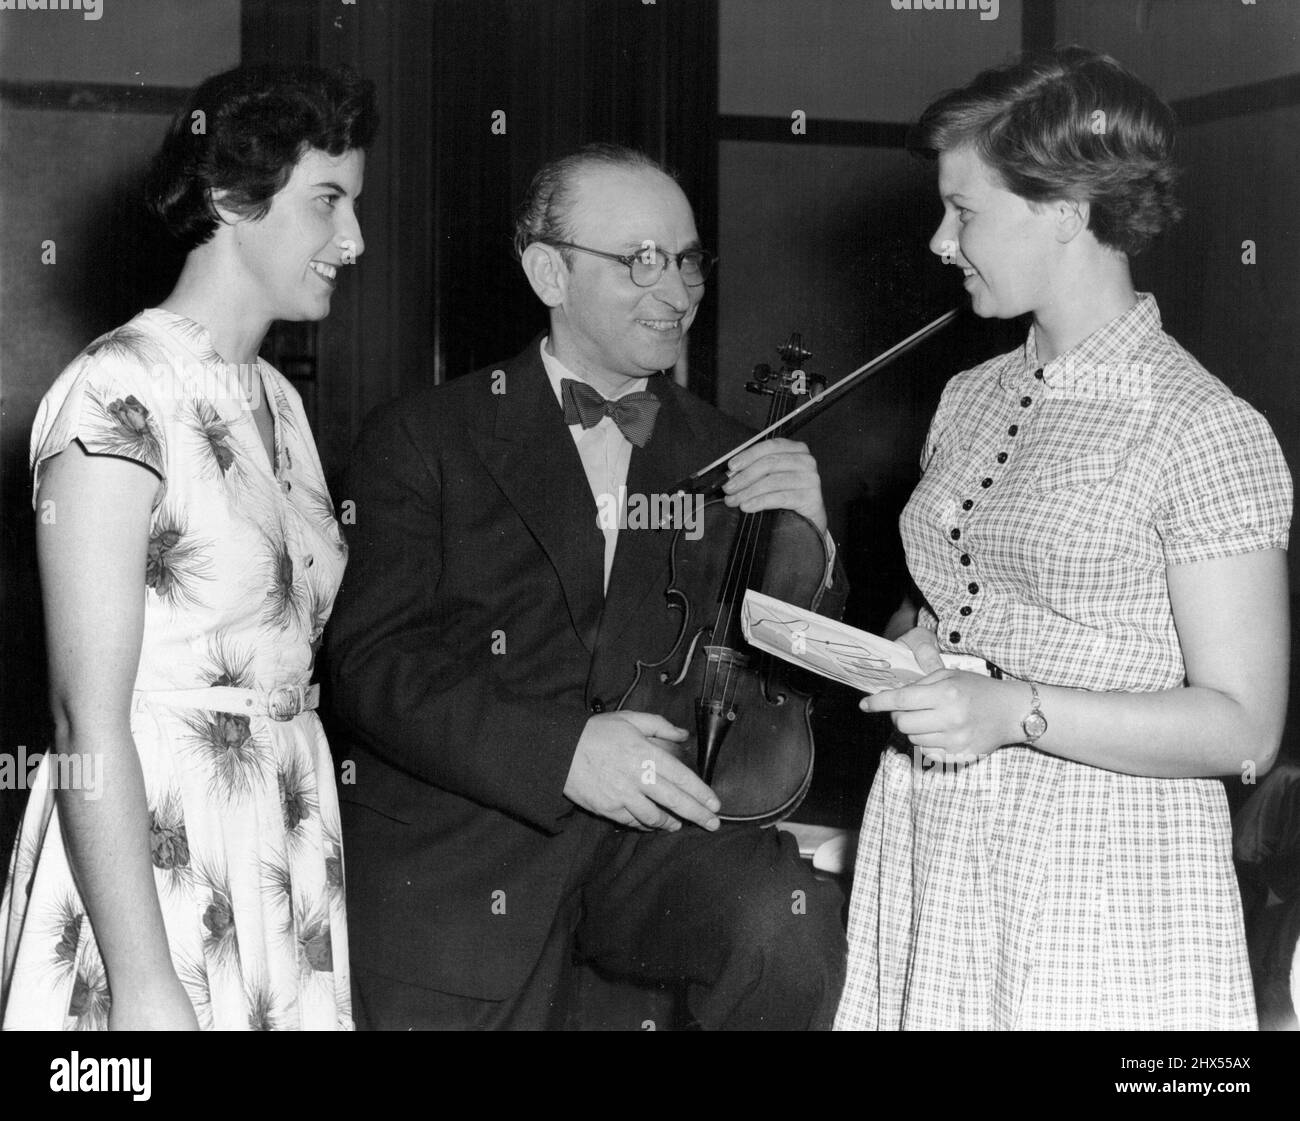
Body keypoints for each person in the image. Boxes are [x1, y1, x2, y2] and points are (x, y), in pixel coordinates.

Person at [328, 143, 847, 1030]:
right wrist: (564, 751)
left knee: (785, 925)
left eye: (687, 261)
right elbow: (374, 667)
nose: (677, 292)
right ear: (547, 271)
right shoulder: (423, 437)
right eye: (641, 260)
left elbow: (786, 680)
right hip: (467, 844)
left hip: (651, 847)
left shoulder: (730, 455)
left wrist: (815, 544)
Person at [835, 47, 1292, 1031]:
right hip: (934, 830)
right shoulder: (969, 395)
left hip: (1099, 866)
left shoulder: (1200, 429)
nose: (935, 240)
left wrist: (1011, 709)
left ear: (1066, 208)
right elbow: (958, 595)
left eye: (964, 211)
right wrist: (912, 638)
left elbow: (1244, 730)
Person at [0, 64, 377, 1030]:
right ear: (227, 200)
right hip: (152, 859)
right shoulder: (115, 392)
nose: (355, 239)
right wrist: (144, 982)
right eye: (326, 201)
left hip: (283, 834)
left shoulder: (284, 406)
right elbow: (86, 719)